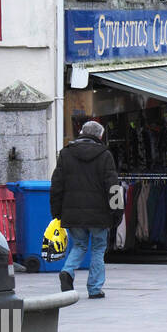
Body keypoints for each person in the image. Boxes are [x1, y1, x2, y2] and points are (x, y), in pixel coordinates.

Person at [50, 120, 120, 298]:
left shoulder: (65, 154)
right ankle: (95, 289)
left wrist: (56, 211)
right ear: (100, 136)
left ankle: (67, 270)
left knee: (79, 245)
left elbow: (56, 185)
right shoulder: (105, 155)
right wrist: (117, 212)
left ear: (81, 132)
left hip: (72, 212)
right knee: (98, 248)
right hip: (100, 214)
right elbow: (113, 186)